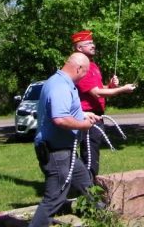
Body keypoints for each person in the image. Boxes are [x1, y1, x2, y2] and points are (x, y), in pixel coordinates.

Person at [29, 52, 102, 227]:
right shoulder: (60, 86)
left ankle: (105, 217)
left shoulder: (58, 81)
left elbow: (62, 110)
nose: (84, 77)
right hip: (56, 153)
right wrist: (83, 126)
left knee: (86, 183)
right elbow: (60, 119)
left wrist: (83, 114)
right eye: (85, 73)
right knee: (54, 198)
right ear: (78, 68)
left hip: (64, 152)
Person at [71, 29, 137, 179]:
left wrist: (111, 86)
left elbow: (101, 89)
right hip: (87, 117)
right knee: (89, 154)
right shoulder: (81, 67)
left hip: (97, 116)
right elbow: (97, 93)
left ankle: (87, 186)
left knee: (92, 152)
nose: (93, 45)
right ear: (79, 48)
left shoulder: (92, 65)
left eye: (92, 42)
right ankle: (88, 190)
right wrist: (122, 89)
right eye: (88, 43)